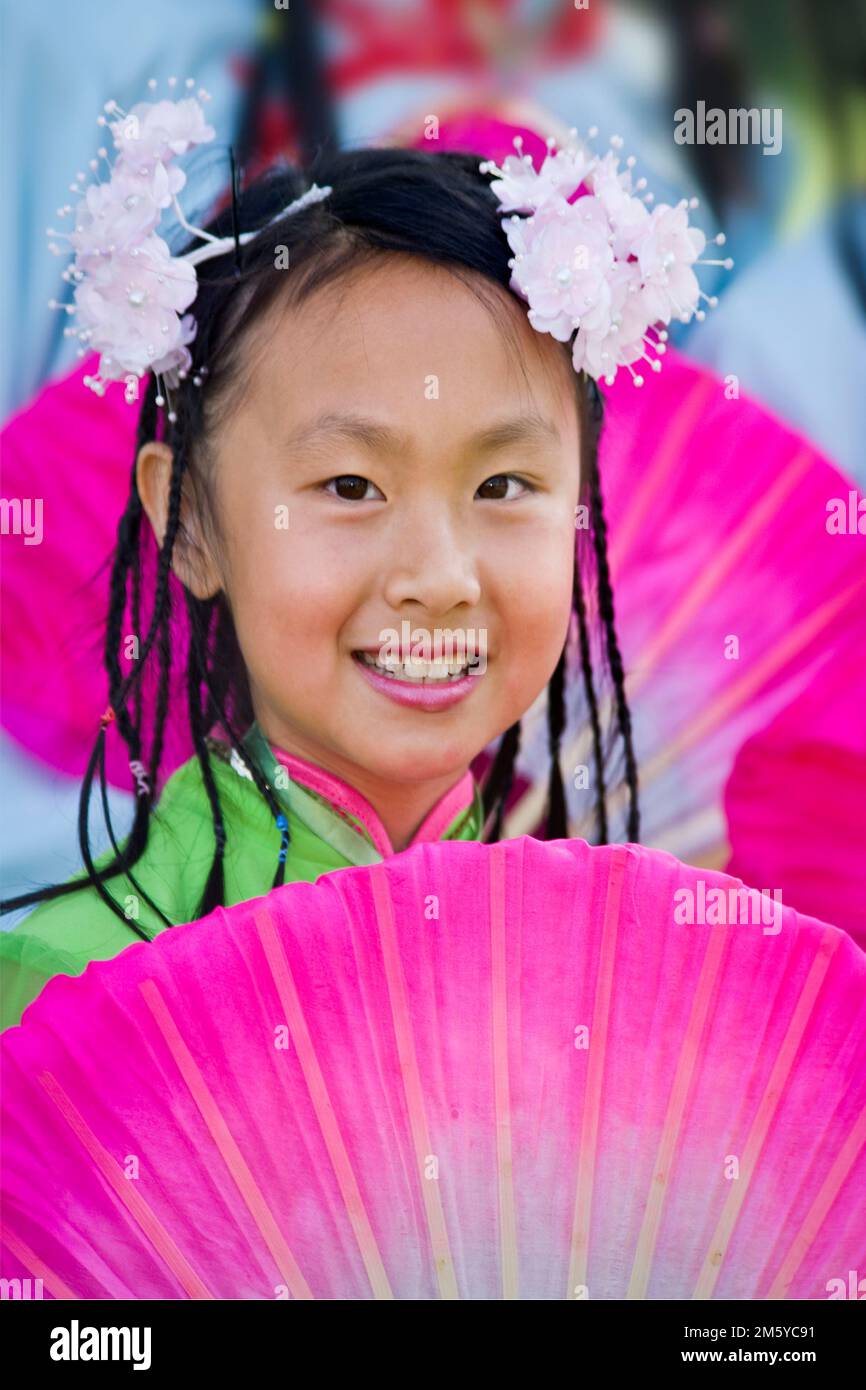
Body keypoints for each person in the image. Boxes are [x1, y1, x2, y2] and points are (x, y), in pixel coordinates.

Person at [3, 96, 712, 1030]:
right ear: (188, 518)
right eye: (349, 485)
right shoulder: (70, 991)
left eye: (503, 487)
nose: (439, 574)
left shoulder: (630, 981)